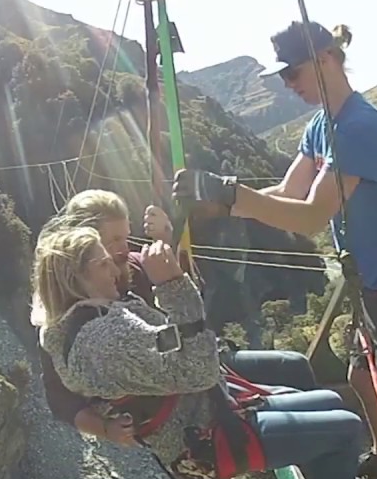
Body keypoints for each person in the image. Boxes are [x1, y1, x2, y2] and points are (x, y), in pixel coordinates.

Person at [169, 21, 377, 479]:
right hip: (371, 286)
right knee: (364, 379)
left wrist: (231, 195)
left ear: (328, 59)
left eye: (293, 73)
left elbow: (312, 216)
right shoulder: (321, 128)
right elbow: (289, 194)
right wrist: (217, 203)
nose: (287, 84)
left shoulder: (360, 129)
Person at [32, 225, 368, 479]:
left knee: (331, 402)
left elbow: (164, 347)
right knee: (347, 428)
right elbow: (197, 370)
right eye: (103, 263)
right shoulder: (103, 339)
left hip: (205, 419)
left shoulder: (93, 322)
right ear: (77, 277)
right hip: (207, 439)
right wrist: (173, 285)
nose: (113, 269)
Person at [39, 190, 320, 448]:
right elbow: (61, 399)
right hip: (182, 399)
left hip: (196, 359)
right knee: (298, 396)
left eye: (126, 236)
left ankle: (317, 467)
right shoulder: (72, 319)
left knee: (294, 366)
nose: (123, 249)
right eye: (112, 241)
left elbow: (184, 296)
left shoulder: (136, 266)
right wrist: (105, 428)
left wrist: (165, 243)